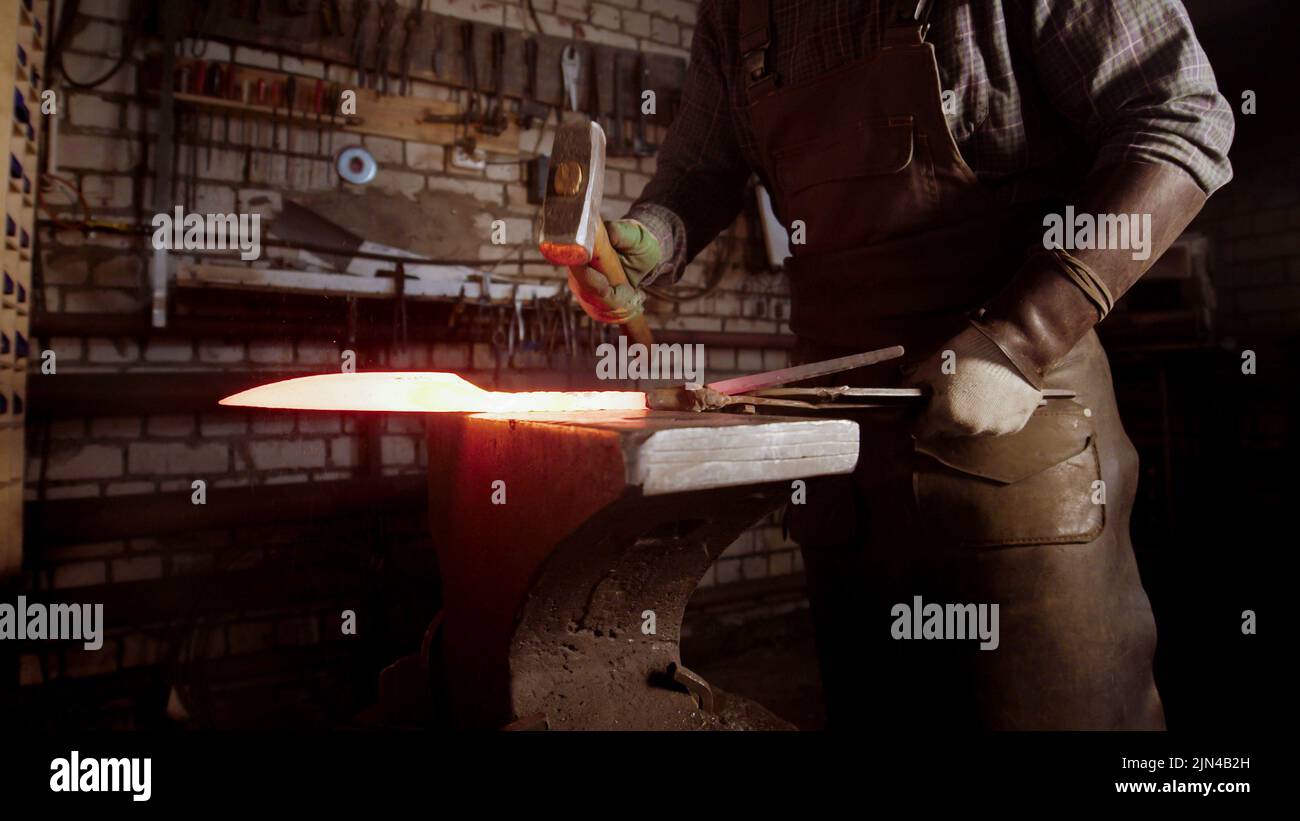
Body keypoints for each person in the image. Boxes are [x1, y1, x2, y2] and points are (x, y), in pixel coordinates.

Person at [568, 0, 1233, 729]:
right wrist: (650, 239)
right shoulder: (736, 12)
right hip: (841, 463)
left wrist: (1026, 331)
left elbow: (1182, 118)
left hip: (1018, 430)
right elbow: (703, 168)